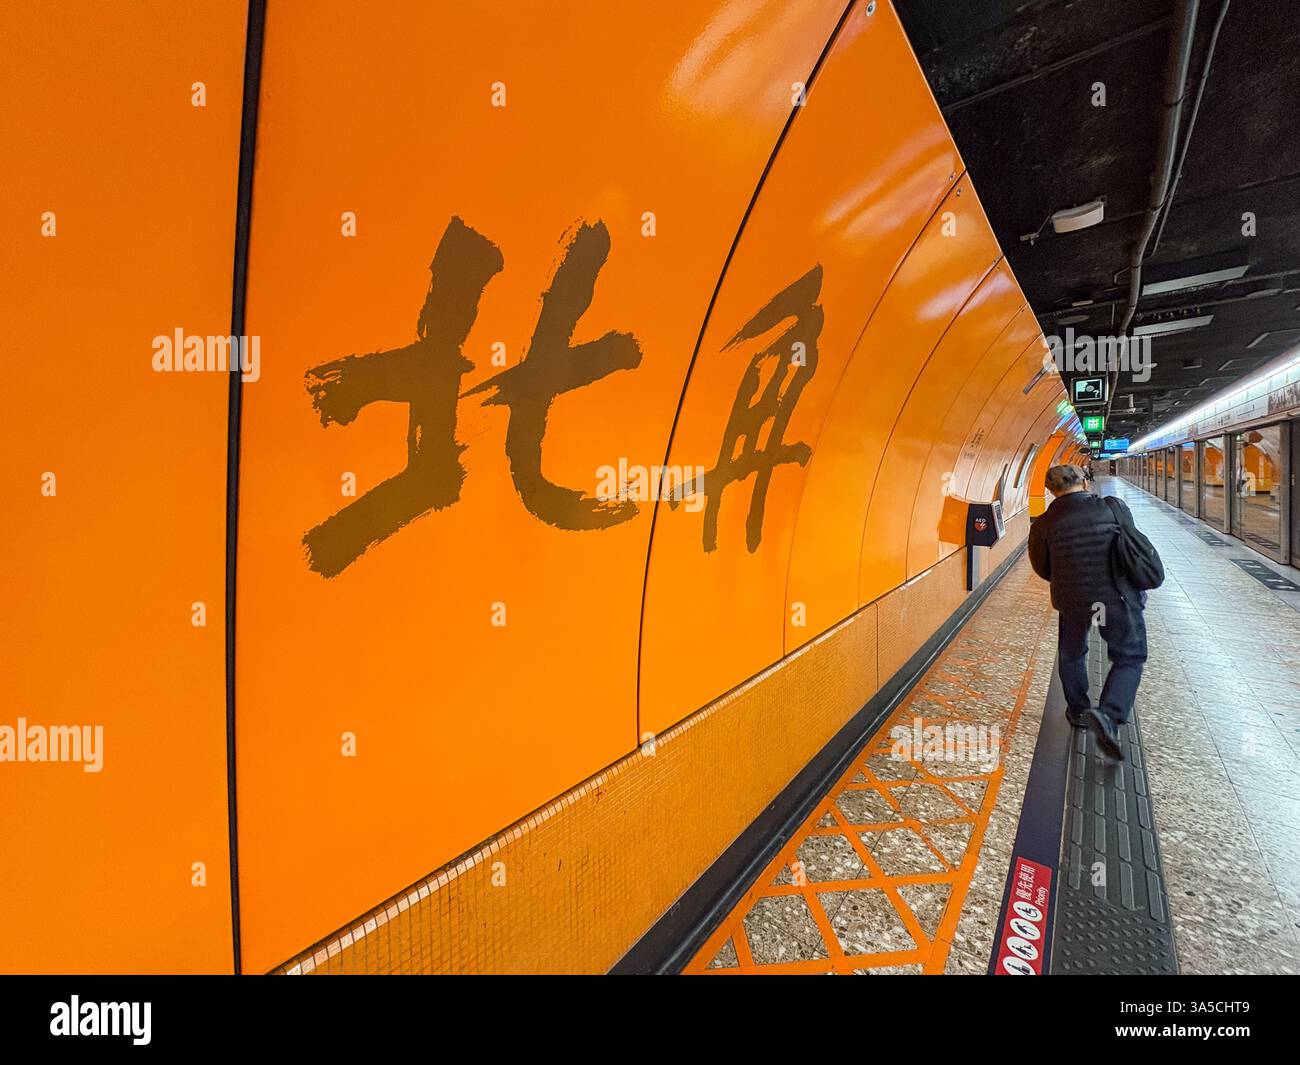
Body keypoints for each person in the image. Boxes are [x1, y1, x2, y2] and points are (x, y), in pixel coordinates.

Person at [1028, 464, 1147, 760]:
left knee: (1072, 653)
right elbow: (1131, 545)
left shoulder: (1042, 523)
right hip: (1114, 597)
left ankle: (1079, 710)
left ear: (1050, 490)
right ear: (1083, 482)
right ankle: (1108, 713)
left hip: (1073, 599)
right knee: (1128, 656)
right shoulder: (1112, 508)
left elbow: (1042, 568)